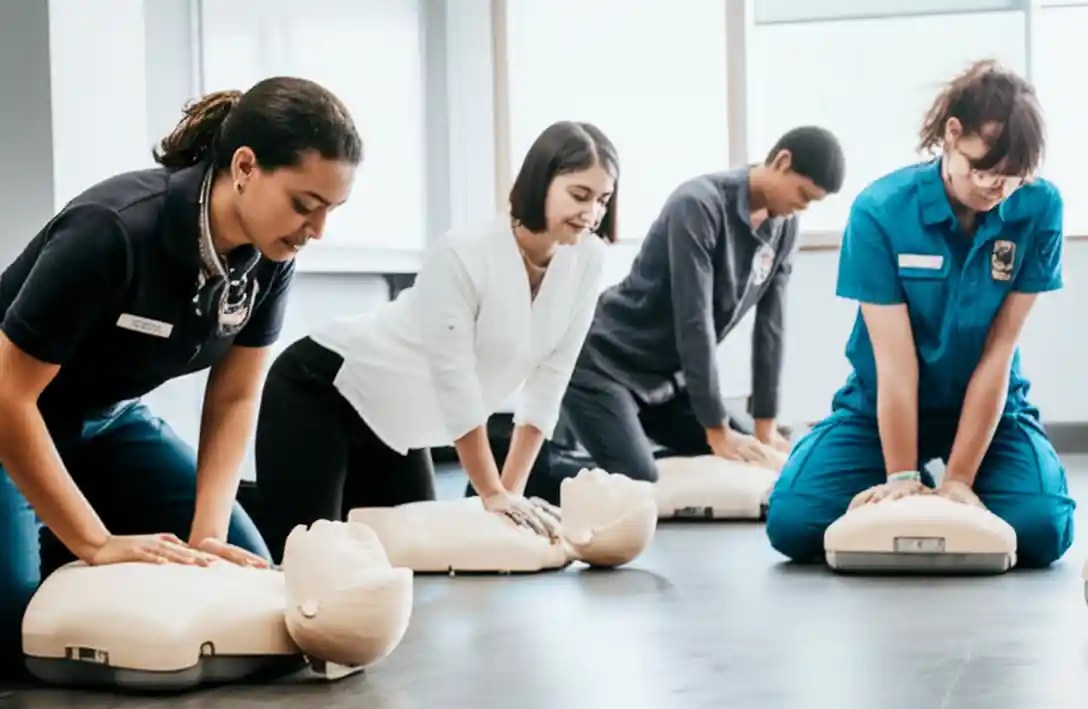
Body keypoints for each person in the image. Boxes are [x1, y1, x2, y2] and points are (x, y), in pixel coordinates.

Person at [0, 76, 362, 673]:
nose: (317, 231)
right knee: (17, 633)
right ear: (245, 166)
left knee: (252, 592)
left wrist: (207, 532)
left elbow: (236, 395)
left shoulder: (268, 257)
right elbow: (10, 396)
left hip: (107, 423)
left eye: (332, 210)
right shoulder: (112, 228)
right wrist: (95, 542)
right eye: (304, 204)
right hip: (11, 419)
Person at [251, 120, 618, 563]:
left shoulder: (588, 260)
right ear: (540, 181)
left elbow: (550, 382)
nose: (592, 213)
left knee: (407, 560)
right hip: (324, 389)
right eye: (580, 195)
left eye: (602, 199)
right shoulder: (464, 251)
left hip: (397, 427)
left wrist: (511, 496)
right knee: (312, 559)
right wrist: (491, 493)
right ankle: (220, 501)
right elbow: (455, 384)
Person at [765, 60, 1075, 569]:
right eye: (982, 168)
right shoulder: (881, 210)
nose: (995, 189)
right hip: (880, 402)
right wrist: (903, 478)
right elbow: (895, 364)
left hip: (987, 406)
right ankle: (882, 464)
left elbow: (999, 353)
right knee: (795, 524)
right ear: (953, 135)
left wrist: (959, 482)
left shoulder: (1040, 208)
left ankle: (953, 477)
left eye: (1012, 179)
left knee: (1042, 532)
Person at [519, 127, 844, 503]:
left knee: (748, 455)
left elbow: (771, 327)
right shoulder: (699, 204)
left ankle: (628, 445)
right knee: (638, 479)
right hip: (605, 364)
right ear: (782, 161)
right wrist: (715, 429)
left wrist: (765, 426)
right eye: (803, 195)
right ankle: (531, 466)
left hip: (668, 380)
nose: (802, 208)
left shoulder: (784, 226)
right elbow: (695, 321)